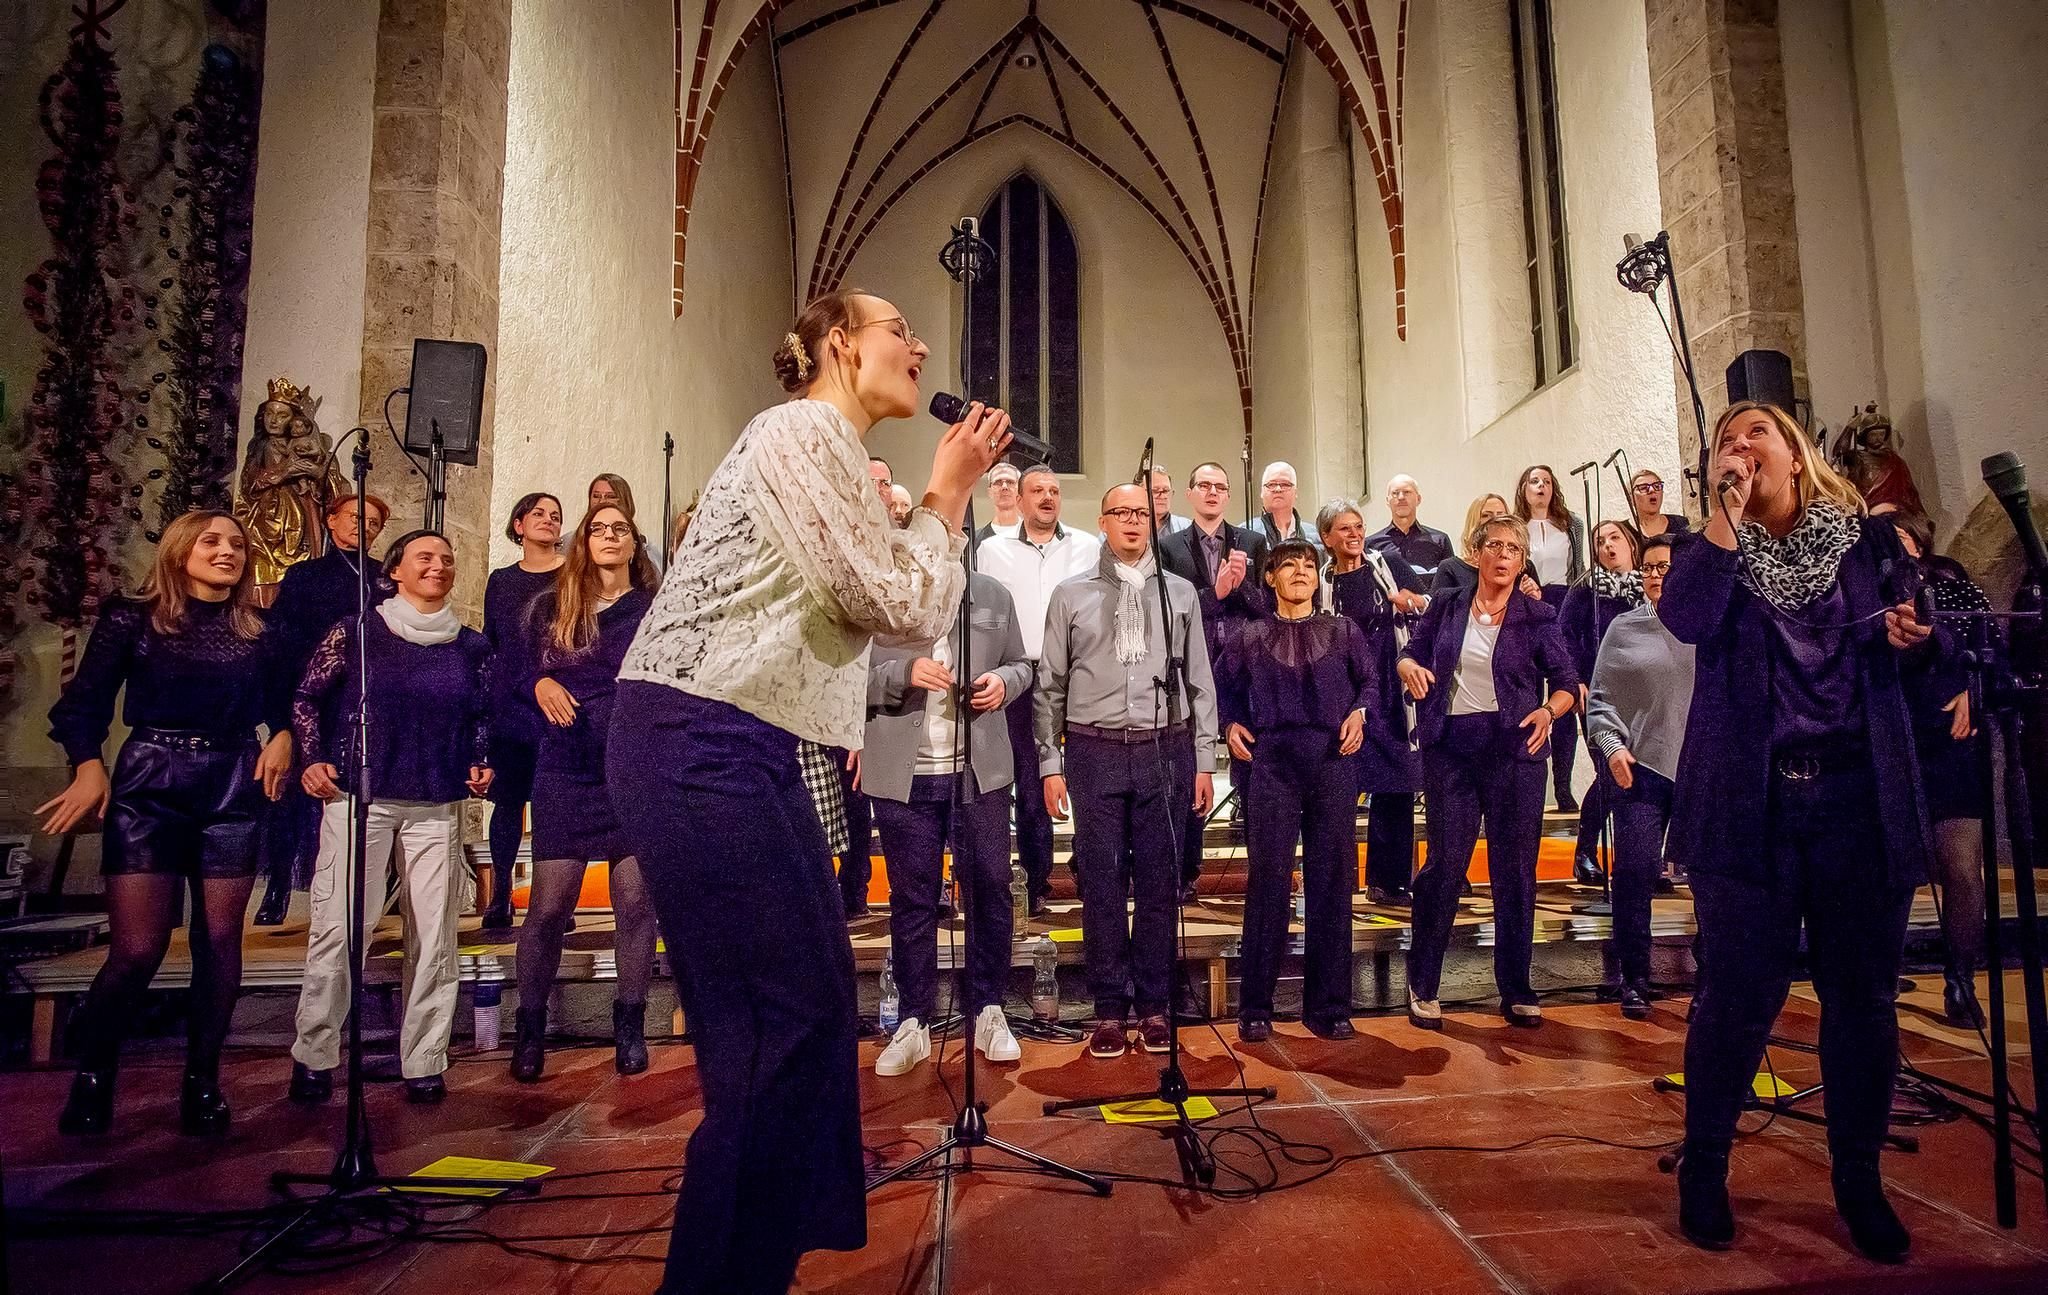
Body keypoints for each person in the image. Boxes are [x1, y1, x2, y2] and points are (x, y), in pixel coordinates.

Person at [606, 288, 1007, 1294]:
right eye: (896, 330)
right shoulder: (798, 429)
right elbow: (903, 603)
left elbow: (881, 594)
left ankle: (758, 1262)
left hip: (749, 739)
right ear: (838, 343)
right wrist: (946, 492)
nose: (918, 345)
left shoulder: (824, 449)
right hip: (697, 729)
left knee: (814, 1010)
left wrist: (916, 512)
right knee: (776, 1026)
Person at [1663, 401, 1936, 1261]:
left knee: (1862, 1002)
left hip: (1857, 804)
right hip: (1753, 810)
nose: (1738, 449)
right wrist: (1725, 520)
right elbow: (1686, 617)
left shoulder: (1871, 546)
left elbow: (1929, 648)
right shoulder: (1716, 555)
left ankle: (1856, 1175)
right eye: (1724, 441)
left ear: (1796, 453)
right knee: (1738, 1000)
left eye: (1757, 435)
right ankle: (1704, 1164)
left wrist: (1913, 638)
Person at [43, 512, 295, 1136]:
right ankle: (95, 1074)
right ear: (181, 551)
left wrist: (285, 735)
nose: (228, 551)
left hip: (232, 781)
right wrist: (86, 767)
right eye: (212, 541)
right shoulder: (133, 618)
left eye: (238, 544)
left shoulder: (259, 629)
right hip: (151, 780)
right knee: (137, 949)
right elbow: (84, 705)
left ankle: (202, 1082)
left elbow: (284, 701)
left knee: (218, 943)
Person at [286, 530, 494, 1108]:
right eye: (426, 557)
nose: (439, 566)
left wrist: (479, 759)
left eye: (448, 560)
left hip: (435, 799)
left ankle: (424, 1059)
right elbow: (306, 697)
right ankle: (316, 1054)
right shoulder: (357, 632)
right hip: (362, 792)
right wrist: (313, 758)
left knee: (434, 936)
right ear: (395, 570)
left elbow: (480, 711)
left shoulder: (470, 645)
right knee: (341, 925)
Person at [1038, 483, 1218, 1060]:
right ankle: (1110, 1008)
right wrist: (1049, 762)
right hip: (1093, 750)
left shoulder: (1180, 593)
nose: (1133, 522)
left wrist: (1204, 759)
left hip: (1166, 746)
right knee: (1103, 884)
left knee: (1161, 886)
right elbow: (1050, 686)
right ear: (1103, 521)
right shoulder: (1072, 595)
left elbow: (1199, 681)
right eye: (1122, 513)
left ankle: (1155, 1004)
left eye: (1141, 513)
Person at [1397, 514, 1578, 1031]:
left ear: (1522, 560)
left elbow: (1565, 680)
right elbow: (1411, 653)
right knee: (1446, 865)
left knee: (1515, 869)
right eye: (1494, 545)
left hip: (1515, 750)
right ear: (1476, 553)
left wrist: (1550, 711)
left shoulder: (1537, 616)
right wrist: (1407, 666)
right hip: (1451, 748)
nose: (1502, 555)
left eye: (1513, 549)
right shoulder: (1449, 603)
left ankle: (1516, 987)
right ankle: (1424, 983)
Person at [511, 504, 661, 1081]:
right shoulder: (550, 606)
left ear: (633, 543)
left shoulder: (652, 609)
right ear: (583, 541)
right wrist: (540, 680)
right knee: (549, 906)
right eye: (598, 528)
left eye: (620, 528)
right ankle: (529, 1027)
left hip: (628, 763)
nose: (609, 536)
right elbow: (511, 671)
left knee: (634, 902)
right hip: (565, 765)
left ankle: (630, 1025)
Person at [864, 572, 1034, 1076]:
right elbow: (845, 676)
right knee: (913, 899)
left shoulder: (992, 594)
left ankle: (987, 1008)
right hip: (903, 774)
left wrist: (1005, 683)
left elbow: (1023, 664)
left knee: (991, 888)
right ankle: (914, 1020)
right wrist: (902, 673)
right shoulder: (881, 599)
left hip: (977, 772)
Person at [1220, 540, 1372, 1041]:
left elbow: (1372, 684)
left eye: (1310, 565)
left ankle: (1329, 1006)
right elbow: (1221, 690)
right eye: (1290, 565)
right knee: (1267, 883)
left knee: (1332, 882)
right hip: (1272, 765)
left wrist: (1360, 711)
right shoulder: (1249, 635)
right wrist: (1229, 724)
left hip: (1332, 762)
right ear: (1270, 578)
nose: (1302, 572)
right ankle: (1256, 1008)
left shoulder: (1344, 629)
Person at [254, 492, 393, 926]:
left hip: (363, 699)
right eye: (355, 517)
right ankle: (279, 883)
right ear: (332, 520)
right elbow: (282, 647)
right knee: (295, 796)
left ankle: (358, 890)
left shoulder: (382, 579)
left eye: (372, 523)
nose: (363, 527)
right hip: (312, 696)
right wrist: (283, 717)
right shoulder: (304, 576)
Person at [979, 463, 1101, 911]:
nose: (1048, 497)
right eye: (1038, 491)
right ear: (1022, 500)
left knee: (1083, 778)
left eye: (1054, 490)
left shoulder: (1088, 547)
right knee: (1028, 784)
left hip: (1078, 673)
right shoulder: (992, 551)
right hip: (1019, 674)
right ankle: (1032, 885)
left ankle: (1090, 875)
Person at [1888, 506, 1989, 1027]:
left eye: (1893, 529)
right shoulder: (1864, 590)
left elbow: (1988, 649)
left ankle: (1961, 982)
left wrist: (1977, 690)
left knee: (1962, 868)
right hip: (1891, 744)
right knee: (1894, 872)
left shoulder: (1948, 580)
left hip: (1949, 741)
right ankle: (1880, 977)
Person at [1585, 533, 1693, 1019]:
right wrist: (1612, 750)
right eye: (1647, 567)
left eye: (1664, 566)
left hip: (1700, 769)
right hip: (1641, 769)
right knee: (1634, 872)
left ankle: (1712, 976)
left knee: (1710, 880)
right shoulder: (1623, 629)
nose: (1654, 574)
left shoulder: (1705, 626)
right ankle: (1635, 977)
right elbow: (1601, 699)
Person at [1160, 461, 1270, 893]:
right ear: (1190, 494)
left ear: (1227, 496)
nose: (1212, 492)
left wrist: (1240, 586)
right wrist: (1217, 592)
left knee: (1254, 771)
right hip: (1191, 668)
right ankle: (1185, 873)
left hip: (1245, 670)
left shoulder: (1252, 542)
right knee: (1192, 771)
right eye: (1203, 485)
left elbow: (1267, 608)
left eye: (1220, 487)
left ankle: (1266, 869)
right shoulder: (1168, 547)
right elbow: (1170, 613)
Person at [1319, 501, 1423, 906]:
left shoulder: (1388, 563)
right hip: (1342, 691)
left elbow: (1427, 603)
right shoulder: (1322, 580)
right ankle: (1336, 883)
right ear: (1327, 537)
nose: (1354, 534)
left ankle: (1389, 880)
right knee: (1339, 788)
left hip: (1389, 688)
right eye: (1343, 529)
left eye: (1358, 526)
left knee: (1394, 786)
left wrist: (1410, 602)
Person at [480, 492, 565, 930]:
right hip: (512, 703)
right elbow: (493, 643)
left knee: (552, 804)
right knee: (508, 802)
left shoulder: (572, 575)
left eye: (555, 516)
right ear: (518, 525)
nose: (548, 521)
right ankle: (499, 897)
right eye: (539, 514)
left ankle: (550, 901)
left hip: (559, 699)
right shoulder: (501, 580)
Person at [1559, 521, 1644, 888]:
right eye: (1600, 541)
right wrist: (1575, 679)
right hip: (1600, 693)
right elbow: (1562, 637)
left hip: (1645, 694)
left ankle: (1638, 859)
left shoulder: (1649, 586)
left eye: (1615, 538)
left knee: (1646, 776)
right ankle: (1585, 851)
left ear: (1630, 543)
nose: (1608, 546)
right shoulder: (1586, 591)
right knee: (1609, 774)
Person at [1514, 465, 1587, 813]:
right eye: (1533, 482)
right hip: (1529, 607)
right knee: (1531, 695)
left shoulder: (1571, 524)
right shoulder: (1516, 526)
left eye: (1545, 481)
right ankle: (1531, 782)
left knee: (1565, 694)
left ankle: (1563, 785)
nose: (1540, 487)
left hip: (1564, 604)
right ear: (1524, 489)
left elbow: (1579, 567)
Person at [1369, 474, 1453, 587]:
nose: (1401, 497)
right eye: (1395, 493)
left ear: (1418, 499)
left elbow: (1450, 585)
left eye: (1407, 492)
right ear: (1387, 501)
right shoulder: (1371, 545)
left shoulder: (1440, 540)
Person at [1249, 461, 1322, 553]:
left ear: (1296, 492)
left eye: (1285, 484)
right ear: (1261, 492)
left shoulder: (1315, 535)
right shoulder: (1246, 532)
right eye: (1271, 484)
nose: (1278, 489)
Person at [1627, 468, 1691, 541]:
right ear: (1631, 498)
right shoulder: (1624, 530)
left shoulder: (1680, 523)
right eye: (1643, 488)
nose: (1652, 490)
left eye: (1657, 486)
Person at [977, 461, 1023, 541]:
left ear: (1019, 490)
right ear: (990, 492)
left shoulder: (1036, 536)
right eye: (998, 482)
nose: (1004, 487)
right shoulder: (976, 540)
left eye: (1010, 482)